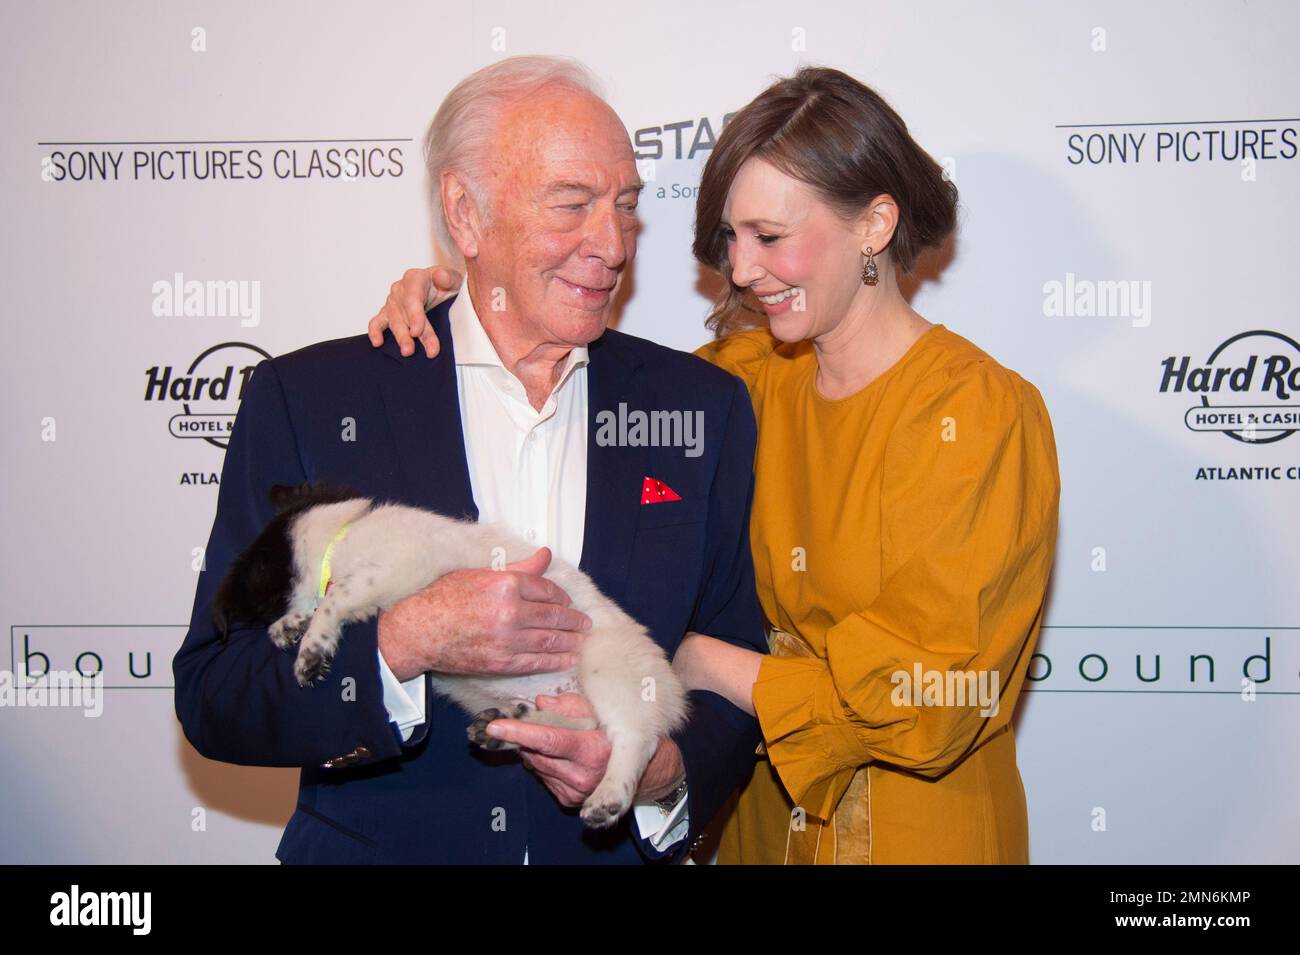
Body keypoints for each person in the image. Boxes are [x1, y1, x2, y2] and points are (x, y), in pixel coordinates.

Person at [369, 65, 1061, 864]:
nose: (739, 269)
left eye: (770, 236)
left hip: (916, 833)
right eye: (730, 238)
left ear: (874, 224)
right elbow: (565, 371)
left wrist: (704, 658)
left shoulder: (978, 413)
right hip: (757, 830)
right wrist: (461, 302)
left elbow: (929, 704)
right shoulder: (743, 383)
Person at [173, 55, 768, 864]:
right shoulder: (309, 398)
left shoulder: (702, 407)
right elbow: (219, 693)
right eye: (572, 204)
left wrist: (660, 773)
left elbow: (732, 667)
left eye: (626, 206)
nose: (612, 242)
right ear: (466, 214)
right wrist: (402, 641)